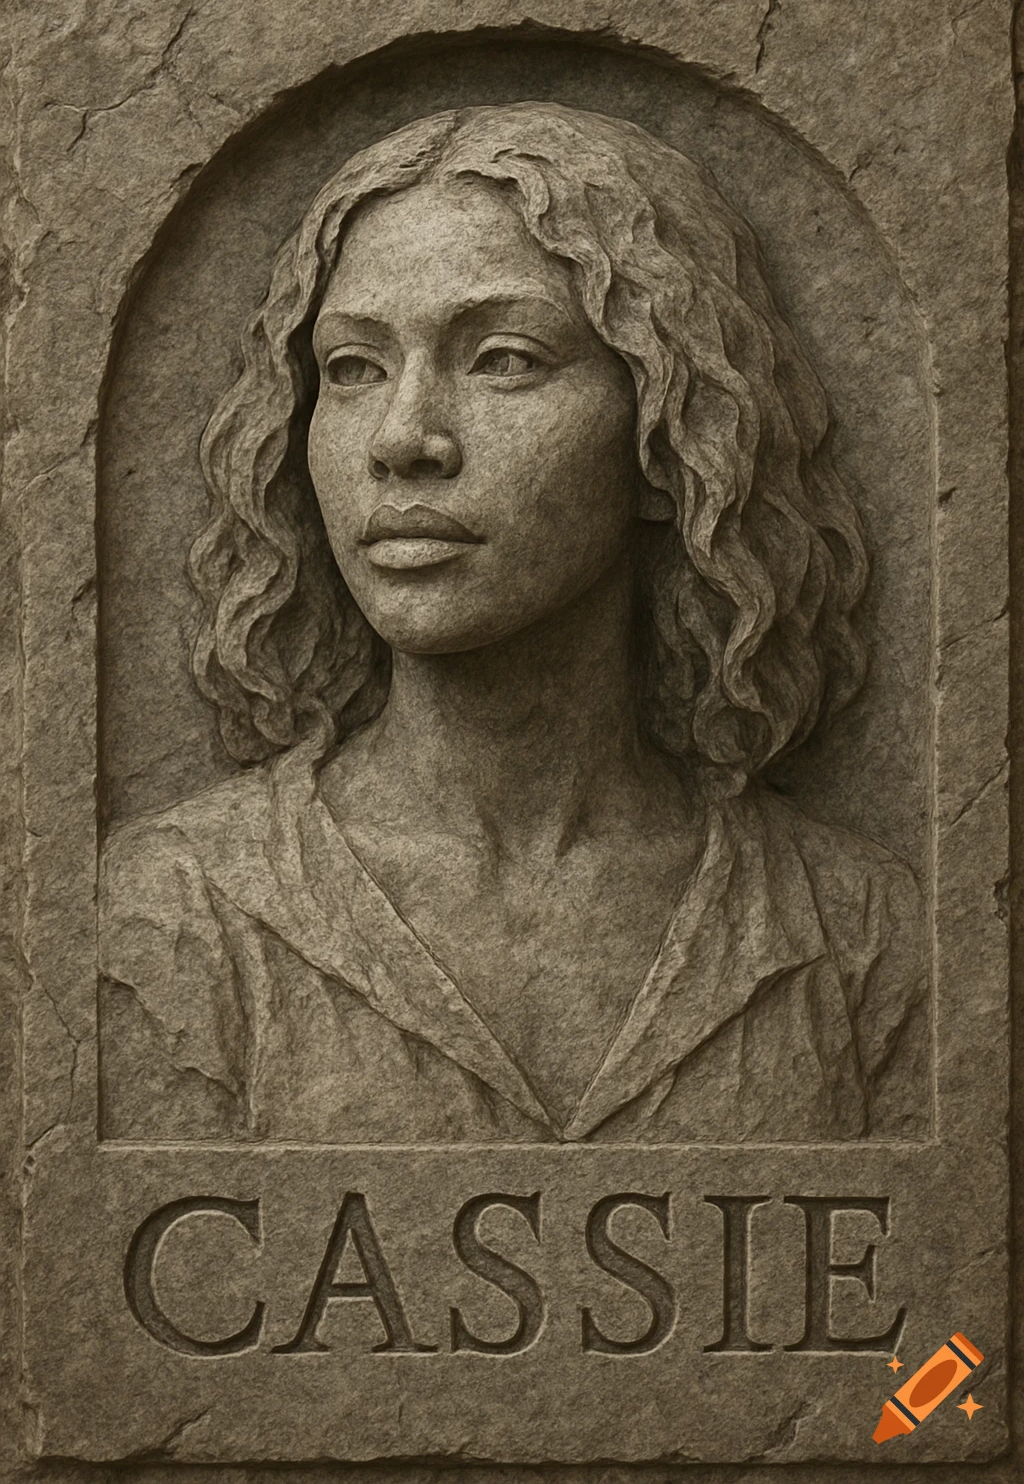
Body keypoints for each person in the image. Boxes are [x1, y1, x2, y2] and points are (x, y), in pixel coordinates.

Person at [99, 102, 929, 1143]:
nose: (402, 441)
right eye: (352, 368)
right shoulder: (175, 918)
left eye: (502, 359)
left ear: (672, 435)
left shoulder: (855, 932)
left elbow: (952, 1312)